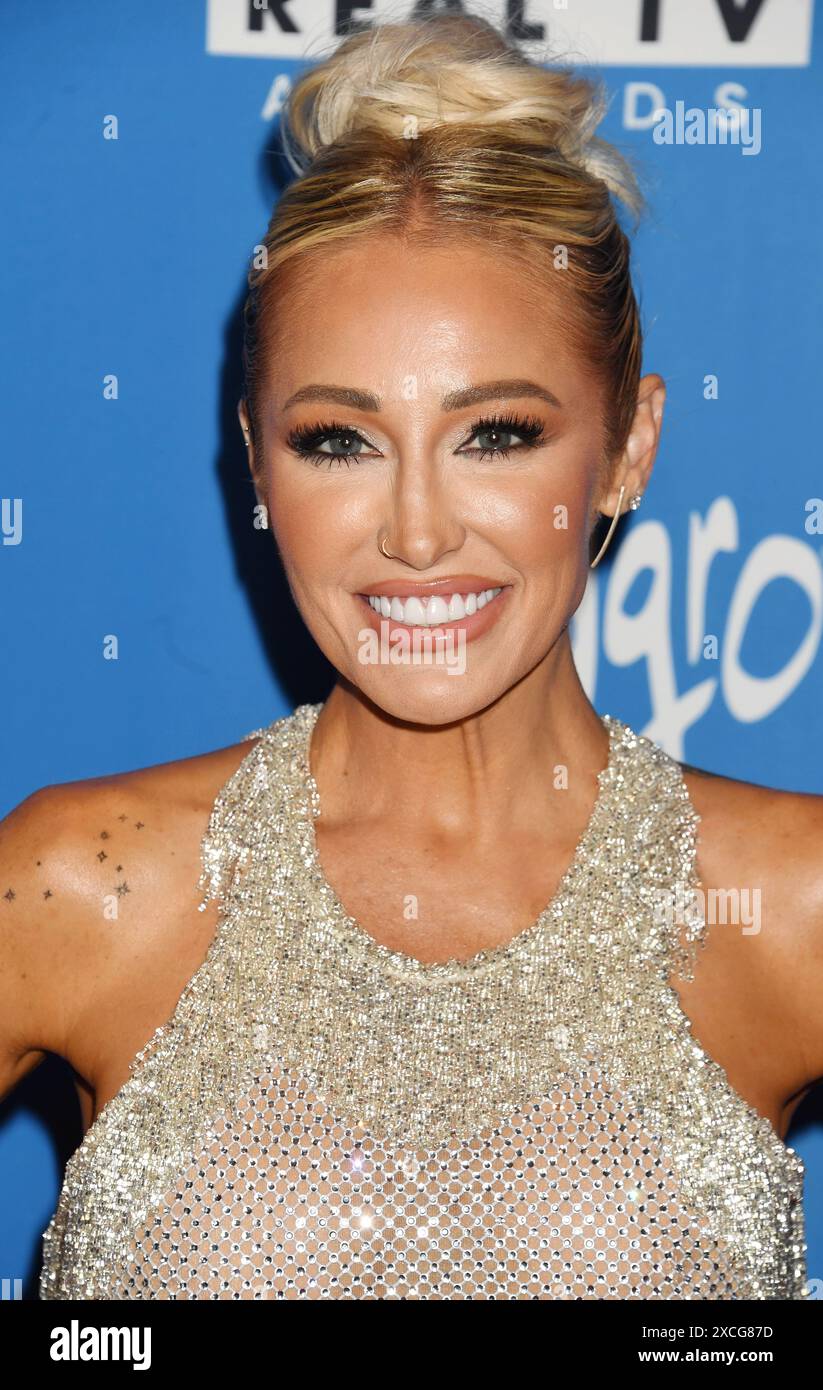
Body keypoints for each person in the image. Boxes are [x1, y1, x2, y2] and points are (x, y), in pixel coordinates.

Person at [2, 12, 821, 1301]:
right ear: (256, 456)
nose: (420, 533)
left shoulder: (788, 907)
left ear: (627, 447)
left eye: (497, 434)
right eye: (339, 440)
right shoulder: (82, 887)